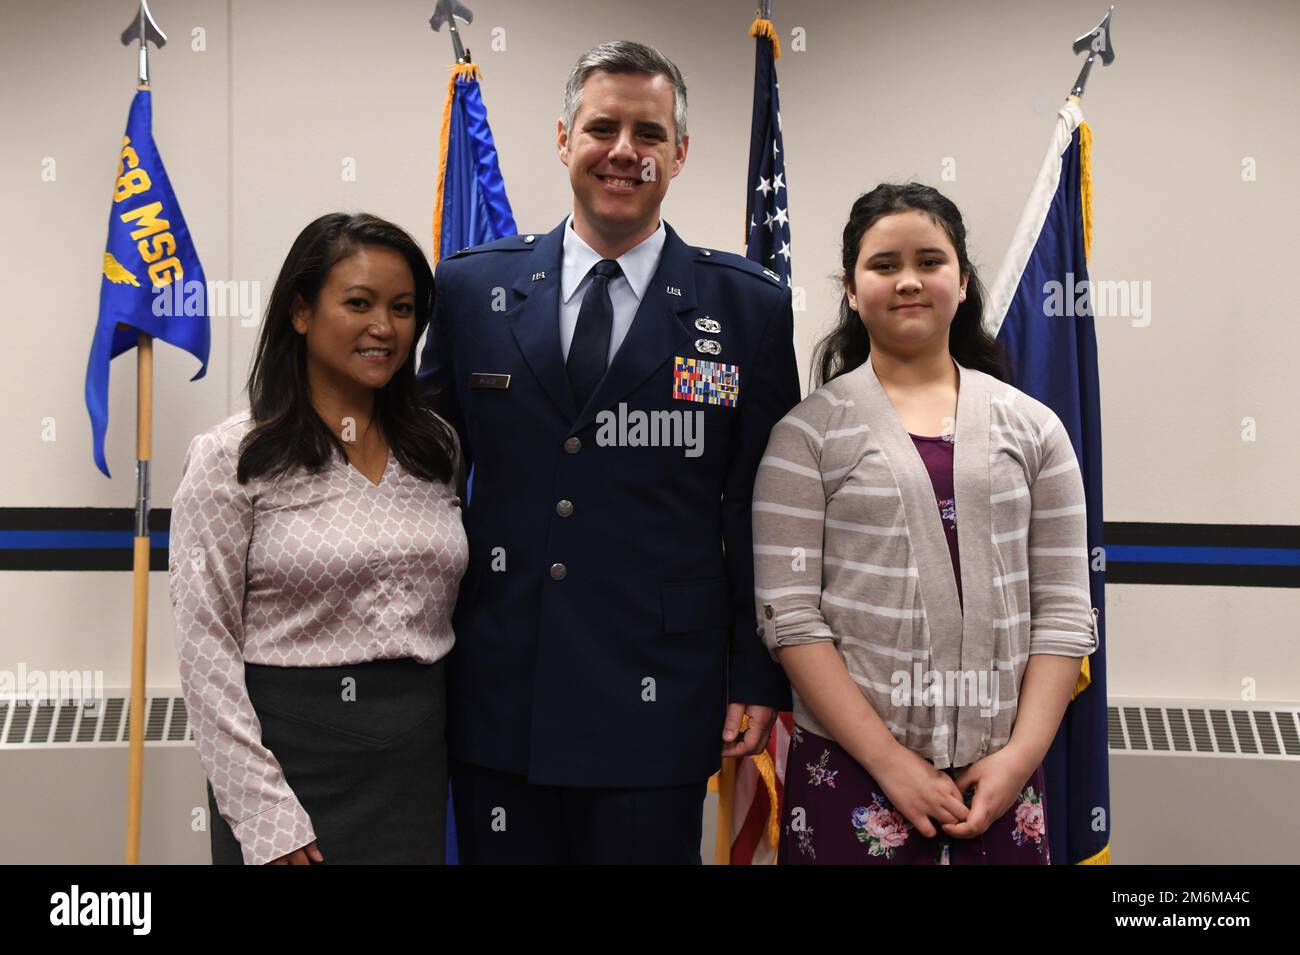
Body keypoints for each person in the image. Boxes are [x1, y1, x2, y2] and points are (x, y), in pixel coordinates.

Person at [417, 40, 799, 863]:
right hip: (502, 687)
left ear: (680, 152)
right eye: (602, 129)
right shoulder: (469, 291)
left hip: (658, 695)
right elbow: (424, 480)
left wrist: (759, 675)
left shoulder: (748, 308)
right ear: (564, 140)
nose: (624, 152)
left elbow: (763, 507)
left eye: (648, 133)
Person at [752, 182, 1099, 865]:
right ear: (851, 289)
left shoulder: (1034, 430)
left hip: (997, 778)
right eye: (883, 265)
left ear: (962, 282)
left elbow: (1064, 609)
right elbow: (788, 615)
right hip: (850, 770)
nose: (908, 280)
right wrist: (890, 762)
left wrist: (1020, 757)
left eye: (930, 261)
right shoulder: (807, 435)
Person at [169, 213, 467, 865]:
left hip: (413, 762)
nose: (384, 327)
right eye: (358, 303)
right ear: (300, 313)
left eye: (403, 308)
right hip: (290, 760)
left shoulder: (436, 447)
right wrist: (262, 812)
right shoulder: (231, 457)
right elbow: (204, 647)